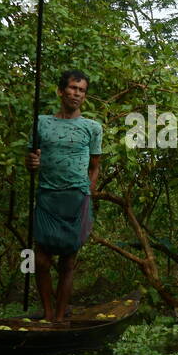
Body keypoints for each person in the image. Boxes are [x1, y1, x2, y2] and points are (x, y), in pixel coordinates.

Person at [25, 69, 102, 322]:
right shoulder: (41, 123)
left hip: (76, 198)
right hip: (47, 195)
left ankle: (59, 317)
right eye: (72, 88)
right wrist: (32, 163)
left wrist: (88, 192)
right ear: (60, 91)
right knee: (42, 261)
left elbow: (95, 166)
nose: (76, 94)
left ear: (85, 96)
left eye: (81, 90)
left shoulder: (92, 128)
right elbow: (31, 159)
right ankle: (47, 313)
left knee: (68, 263)